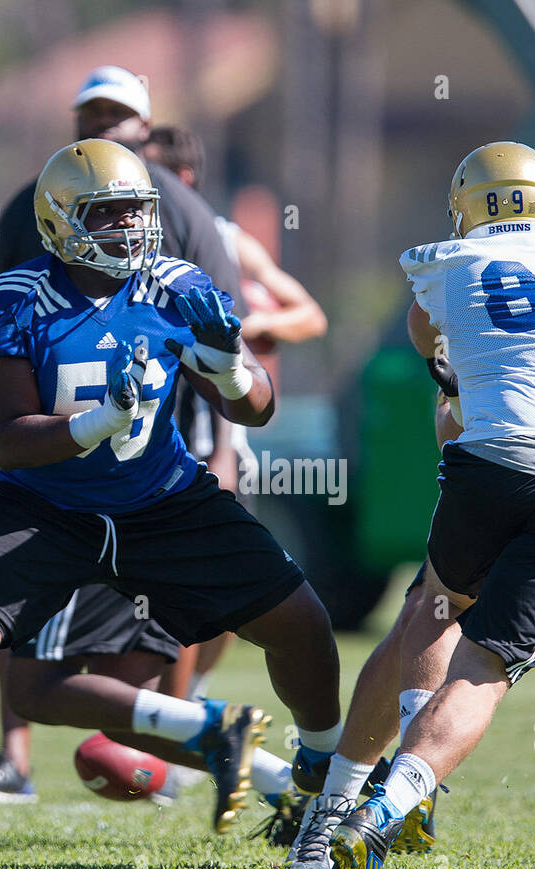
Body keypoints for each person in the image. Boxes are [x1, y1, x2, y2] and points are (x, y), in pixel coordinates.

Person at [0, 140, 341, 869]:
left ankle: (321, 785)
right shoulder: (7, 302)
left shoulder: (174, 284)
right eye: (109, 212)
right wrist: (95, 424)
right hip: (43, 507)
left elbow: (255, 412)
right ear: (61, 222)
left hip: (161, 499)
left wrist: (226, 364)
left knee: (304, 623)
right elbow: (3, 437)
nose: (130, 227)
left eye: (136, 211)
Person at [288, 140, 535, 869]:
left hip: (492, 469)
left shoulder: (445, 264)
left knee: (434, 608)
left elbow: (430, 351)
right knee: (482, 672)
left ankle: (335, 812)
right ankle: (390, 809)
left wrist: (462, 388)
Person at [0, 64, 259, 796]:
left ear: (145, 127)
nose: (104, 124)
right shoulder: (34, 203)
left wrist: (222, 450)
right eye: (92, 111)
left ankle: (221, 749)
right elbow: (13, 316)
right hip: (55, 460)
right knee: (19, 649)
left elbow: (231, 337)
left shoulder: (182, 211)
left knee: (125, 654)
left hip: (151, 466)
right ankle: (19, 760)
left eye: (119, 115)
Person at [144, 124, 329, 703]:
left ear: (183, 180)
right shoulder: (123, 246)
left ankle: (188, 701)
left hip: (214, 433)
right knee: (168, 591)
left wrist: (241, 332)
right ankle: (167, 718)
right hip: (147, 437)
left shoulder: (223, 239)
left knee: (223, 600)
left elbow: (310, 316)